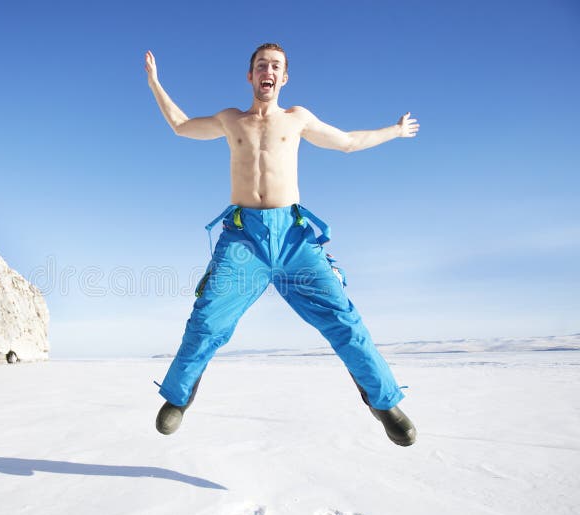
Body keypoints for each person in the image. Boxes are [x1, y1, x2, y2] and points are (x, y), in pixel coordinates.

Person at [145, 43, 420, 446]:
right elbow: (180, 125)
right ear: (250, 76)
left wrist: (394, 131)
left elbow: (346, 141)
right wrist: (155, 82)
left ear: (284, 77)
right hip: (243, 239)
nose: (267, 71)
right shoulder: (230, 120)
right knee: (207, 319)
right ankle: (178, 397)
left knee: (344, 321)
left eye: (275, 66)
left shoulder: (297, 119)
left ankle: (384, 403)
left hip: (294, 239)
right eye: (261, 65)